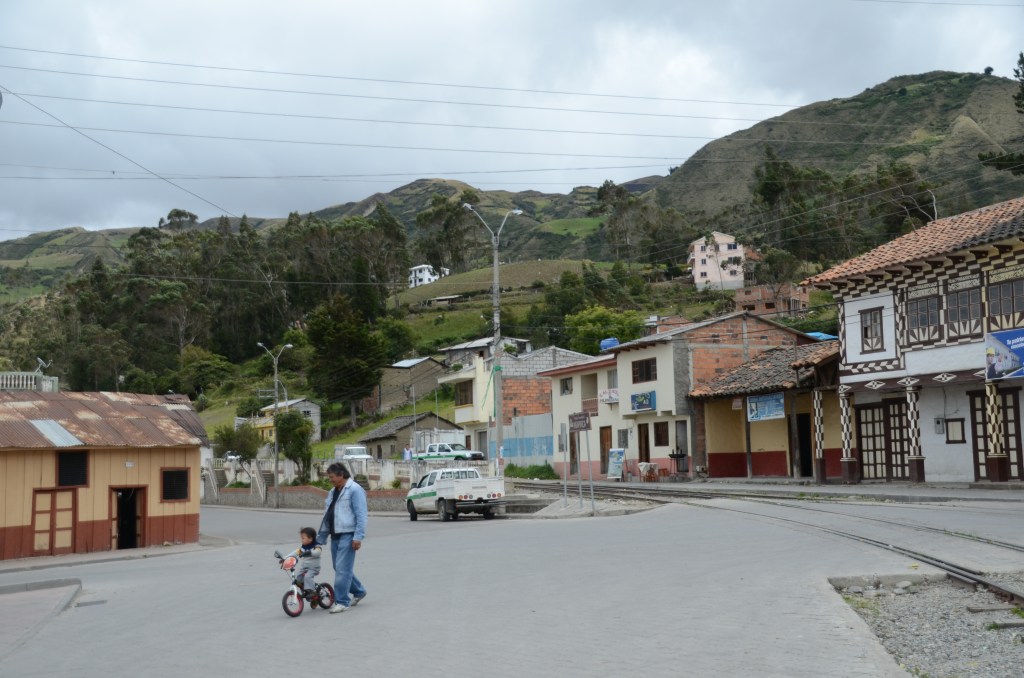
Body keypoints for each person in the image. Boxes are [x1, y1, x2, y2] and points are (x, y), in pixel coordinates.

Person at [317, 462, 368, 614]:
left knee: (342, 569)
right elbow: (328, 514)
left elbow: (361, 514)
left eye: (332, 477)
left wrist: (358, 537)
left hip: (348, 534)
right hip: (335, 534)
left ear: (341, 475)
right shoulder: (333, 491)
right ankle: (359, 591)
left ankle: (342, 601)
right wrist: (321, 537)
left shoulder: (355, 490)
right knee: (339, 567)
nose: (330, 480)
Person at [283, 527, 322, 593]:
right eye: (301, 538)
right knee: (298, 578)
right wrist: (285, 558)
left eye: (303, 538)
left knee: (307, 577)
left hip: (314, 568)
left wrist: (310, 552)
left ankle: (311, 591)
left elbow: (318, 552)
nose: (301, 540)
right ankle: (305, 589)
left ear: (310, 539)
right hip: (305, 567)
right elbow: (295, 553)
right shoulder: (303, 548)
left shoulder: (316, 546)